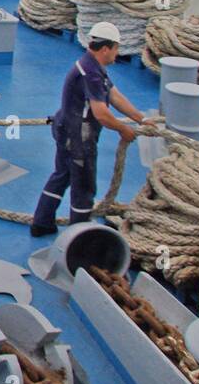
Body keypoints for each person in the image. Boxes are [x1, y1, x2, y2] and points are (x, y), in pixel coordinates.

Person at [30, 22, 150, 236]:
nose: (117, 53)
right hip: (78, 138)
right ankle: (79, 236)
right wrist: (124, 129)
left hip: (66, 129)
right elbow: (101, 113)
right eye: (116, 48)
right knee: (84, 188)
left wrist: (140, 118)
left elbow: (114, 95)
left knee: (62, 175)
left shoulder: (91, 66)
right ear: (106, 48)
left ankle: (41, 223)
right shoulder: (91, 74)